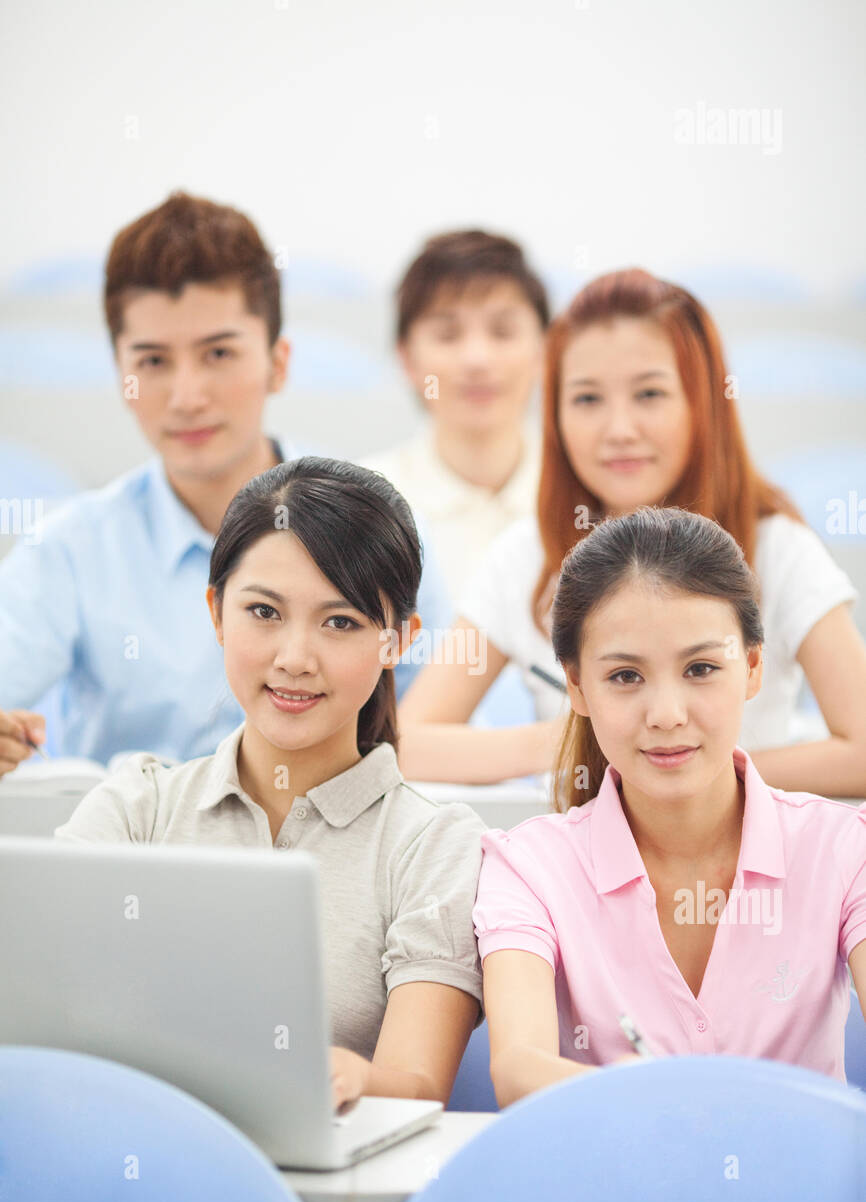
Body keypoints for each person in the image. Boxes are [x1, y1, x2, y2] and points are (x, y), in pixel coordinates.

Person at [54, 456, 484, 1110]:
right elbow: (52, 1009)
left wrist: (346, 1076)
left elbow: (417, 1086)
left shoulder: (434, 846)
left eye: (339, 622)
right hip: (131, 1149)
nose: (294, 658)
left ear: (398, 641)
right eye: (263, 611)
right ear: (216, 613)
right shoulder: (134, 810)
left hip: (327, 1172)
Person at [0, 192, 451, 779]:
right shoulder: (68, 549)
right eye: (153, 361)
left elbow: (439, 743)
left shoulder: (379, 530)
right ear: (121, 374)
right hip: (142, 837)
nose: (187, 396)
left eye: (218, 353)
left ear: (278, 363)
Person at [396, 268, 866, 799]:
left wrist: (696, 766)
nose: (619, 430)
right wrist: (576, 742)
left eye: (649, 394)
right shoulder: (526, 555)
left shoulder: (778, 549)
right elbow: (408, 744)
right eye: (587, 399)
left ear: (703, 402)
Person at [472, 506, 866, 1107]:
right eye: (625, 676)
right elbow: (519, 1070)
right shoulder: (527, 866)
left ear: (752, 667)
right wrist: (675, 1102)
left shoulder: (844, 848)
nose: (666, 715)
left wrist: (660, 1097)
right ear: (576, 685)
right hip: (612, 1169)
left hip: (802, 1170)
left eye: (700, 668)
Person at [358, 228, 548, 608]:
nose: (477, 359)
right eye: (448, 334)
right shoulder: (362, 507)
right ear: (407, 359)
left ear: (544, 350)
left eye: (503, 331)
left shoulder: (591, 497)